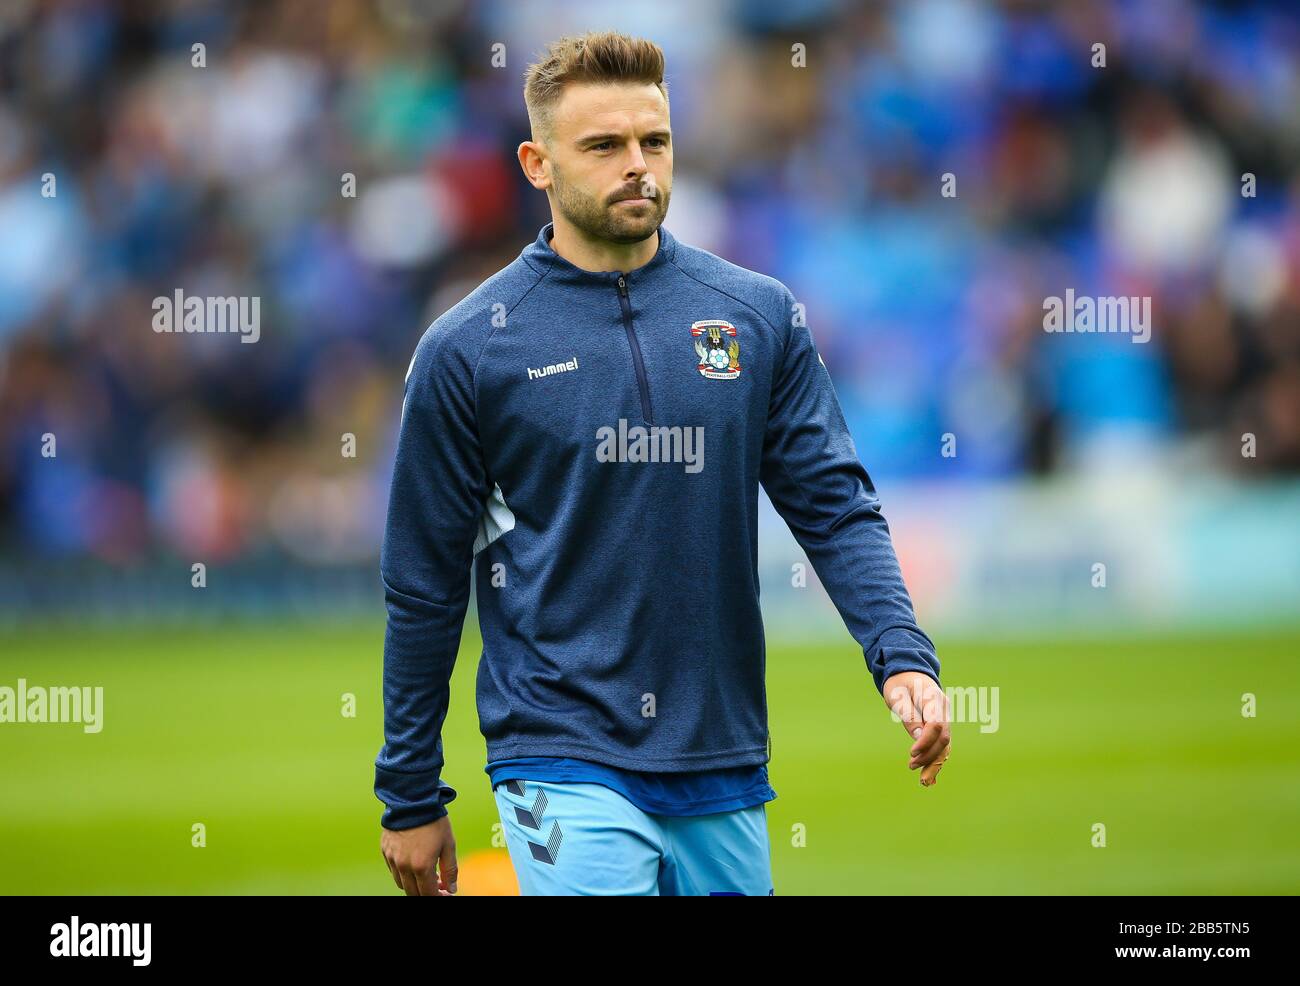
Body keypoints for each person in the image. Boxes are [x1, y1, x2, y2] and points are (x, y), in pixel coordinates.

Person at [376, 30, 950, 897]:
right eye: (603, 146)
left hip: (723, 756)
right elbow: (423, 582)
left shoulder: (756, 317)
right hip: (559, 752)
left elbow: (833, 506)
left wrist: (900, 652)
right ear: (538, 163)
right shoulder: (469, 349)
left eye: (655, 140)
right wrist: (410, 791)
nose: (638, 164)